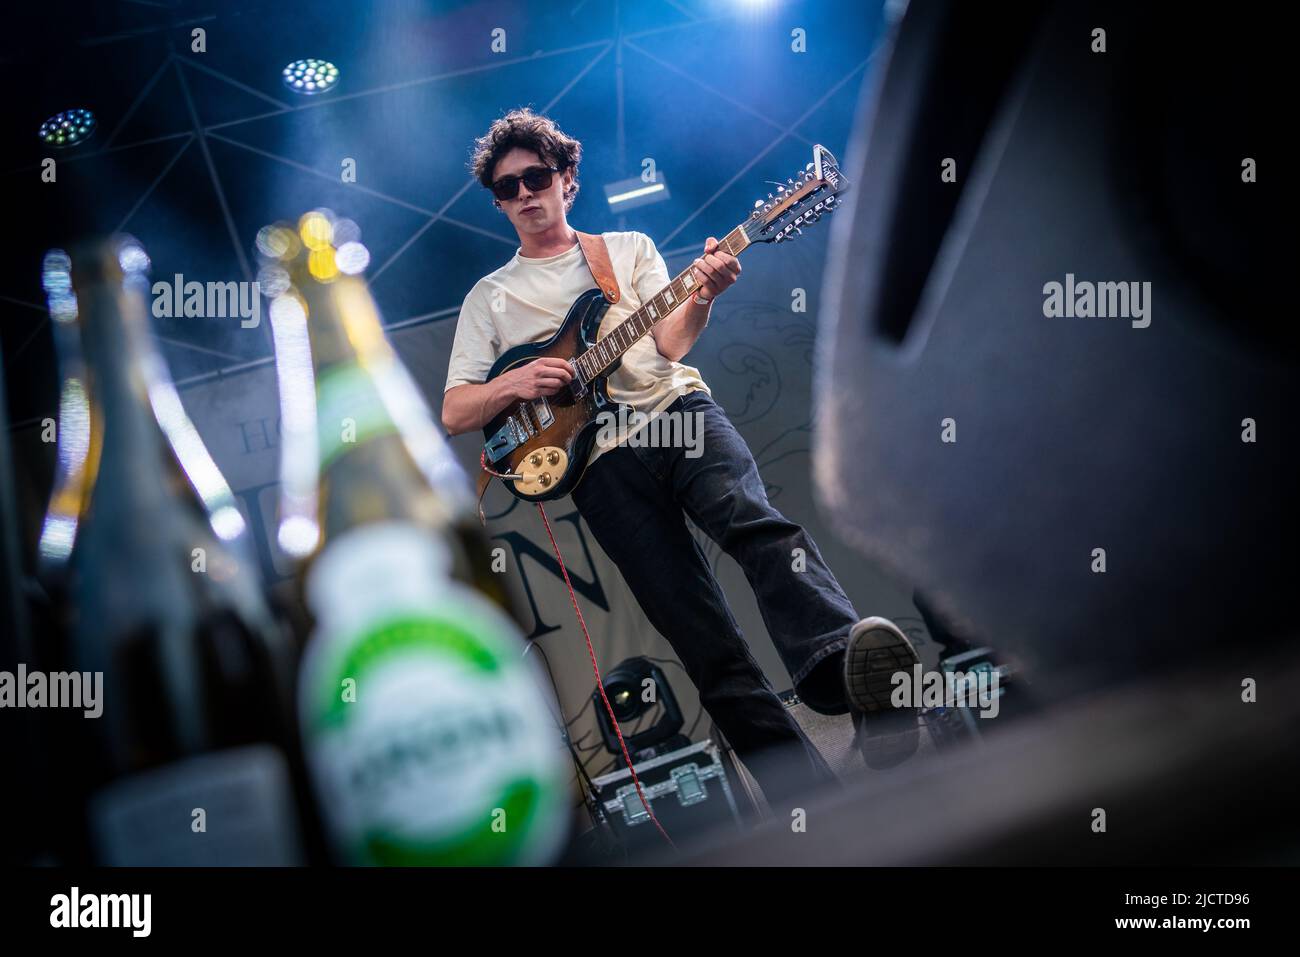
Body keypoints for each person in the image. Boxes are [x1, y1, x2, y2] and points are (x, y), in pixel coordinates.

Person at [441, 108, 922, 806]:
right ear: (499, 202)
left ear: (566, 180)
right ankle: (808, 803)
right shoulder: (490, 298)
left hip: (676, 416)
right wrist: (516, 382)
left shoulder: (626, 248)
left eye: (536, 177)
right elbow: (457, 411)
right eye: (508, 188)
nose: (524, 194)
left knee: (759, 529)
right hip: (598, 464)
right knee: (699, 635)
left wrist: (701, 297)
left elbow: (668, 343)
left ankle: (849, 673)